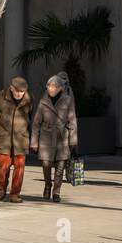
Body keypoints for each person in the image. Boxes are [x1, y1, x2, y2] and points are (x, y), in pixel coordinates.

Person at [31, 72, 78, 203]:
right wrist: (34, 142)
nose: (51, 89)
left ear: (61, 88)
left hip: (62, 137)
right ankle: (47, 184)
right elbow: (36, 124)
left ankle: (56, 191)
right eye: (49, 86)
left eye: (54, 86)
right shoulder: (43, 102)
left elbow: (72, 121)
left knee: (60, 167)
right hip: (46, 137)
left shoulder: (67, 101)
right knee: (46, 164)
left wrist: (73, 140)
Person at [0, 76, 33, 203]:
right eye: (18, 91)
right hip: (3, 137)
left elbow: (30, 115)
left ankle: (15, 194)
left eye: (22, 92)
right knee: (4, 166)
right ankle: (2, 187)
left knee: (20, 167)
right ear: (11, 88)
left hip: (20, 138)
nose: (20, 94)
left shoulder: (29, 98)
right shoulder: (1, 96)